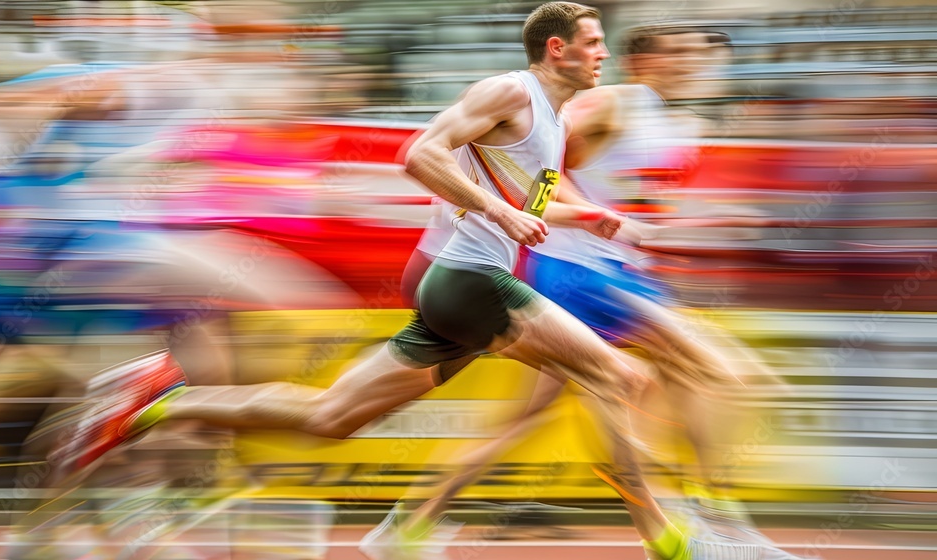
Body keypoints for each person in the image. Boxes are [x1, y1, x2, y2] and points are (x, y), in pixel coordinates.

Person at [49, 4, 729, 559]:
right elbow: (418, 153)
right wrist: (496, 211)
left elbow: (531, 199)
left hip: (467, 288)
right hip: (469, 278)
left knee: (328, 418)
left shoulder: (549, 124)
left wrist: (590, 215)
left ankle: (153, 402)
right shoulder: (508, 92)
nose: (602, 54)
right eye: (591, 43)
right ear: (556, 49)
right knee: (620, 378)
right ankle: (670, 541)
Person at [361, 28, 807, 560]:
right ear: (643, 60)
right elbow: (539, 172)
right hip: (578, 271)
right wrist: (585, 215)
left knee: (531, 418)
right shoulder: (611, 102)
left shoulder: (681, 122)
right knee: (722, 372)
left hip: (613, 269)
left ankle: (408, 525)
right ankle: (704, 512)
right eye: (678, 51)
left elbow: (635, 196)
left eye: (702, 53)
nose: (693, 62)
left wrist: (703, 221)